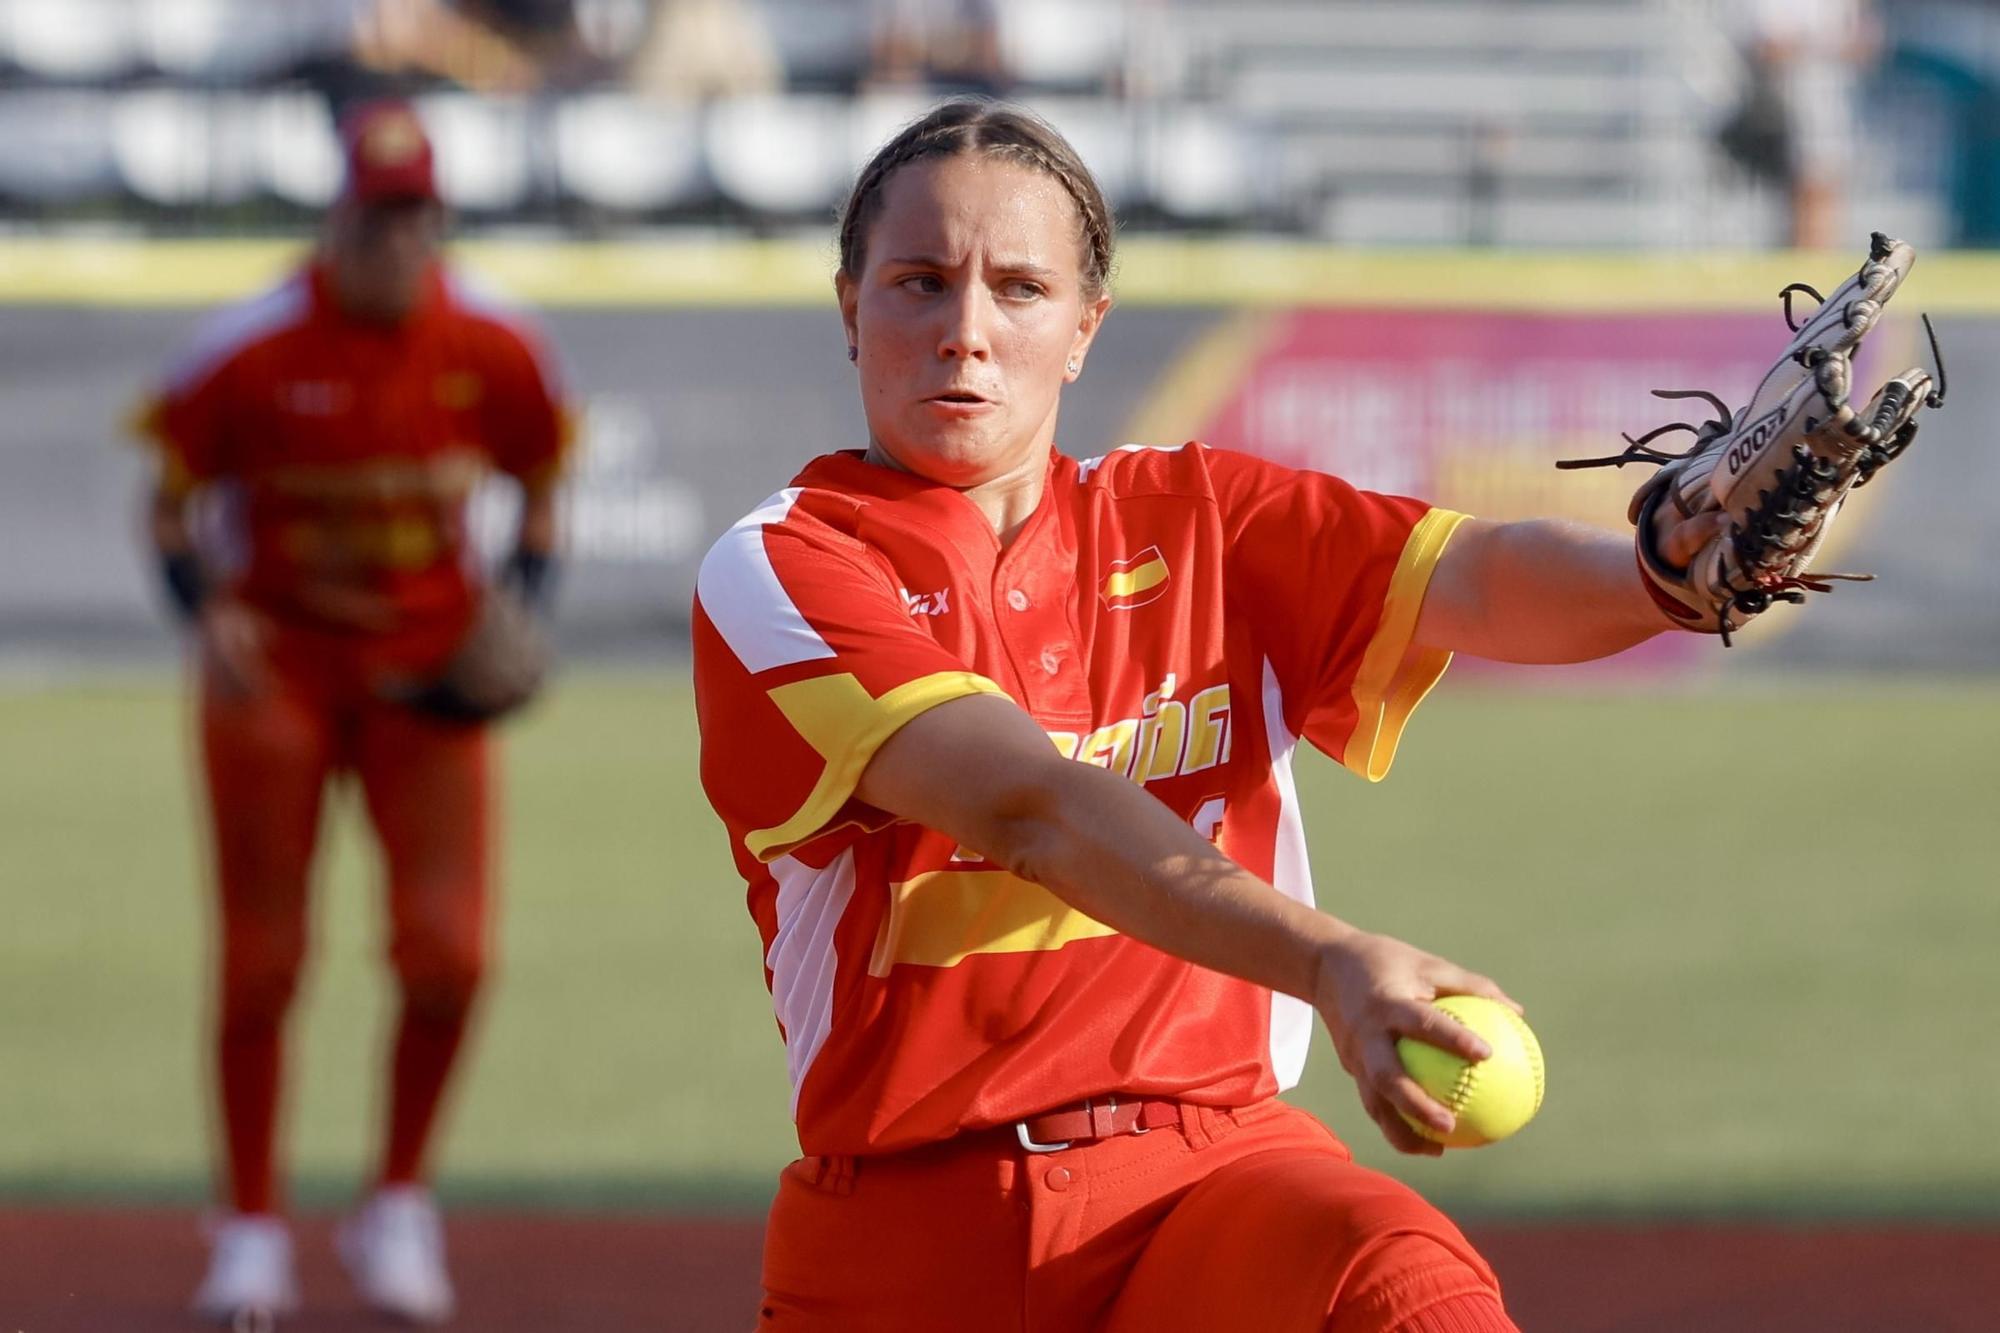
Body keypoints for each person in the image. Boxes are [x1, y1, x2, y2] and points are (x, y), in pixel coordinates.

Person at [691, 98, 1728, 1332]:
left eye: (1019, 289)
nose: (965, 333)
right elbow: (1032, 810)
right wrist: (1328, 959)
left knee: (1407, 1289)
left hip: (1211, 1180)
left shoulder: (1207, 521)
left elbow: (1489, 579)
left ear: (1084, 330)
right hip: (912, 1239)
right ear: (848, 305)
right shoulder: (784, 565)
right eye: (920, 281)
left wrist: (1659, 571)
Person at [134, 99, 571, 1326]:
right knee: (263, 961)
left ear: (438, 221)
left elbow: (540, 484)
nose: (395, 242)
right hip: (274, 665)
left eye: (415, 218)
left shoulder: (496, 341)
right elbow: (168, 502)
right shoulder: (246, 346)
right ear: (337, 217)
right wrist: (197, 606)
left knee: (449, 954)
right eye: (375, 218)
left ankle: (396, 1199)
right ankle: (252, 1224)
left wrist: (521, 608)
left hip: (428, 671)